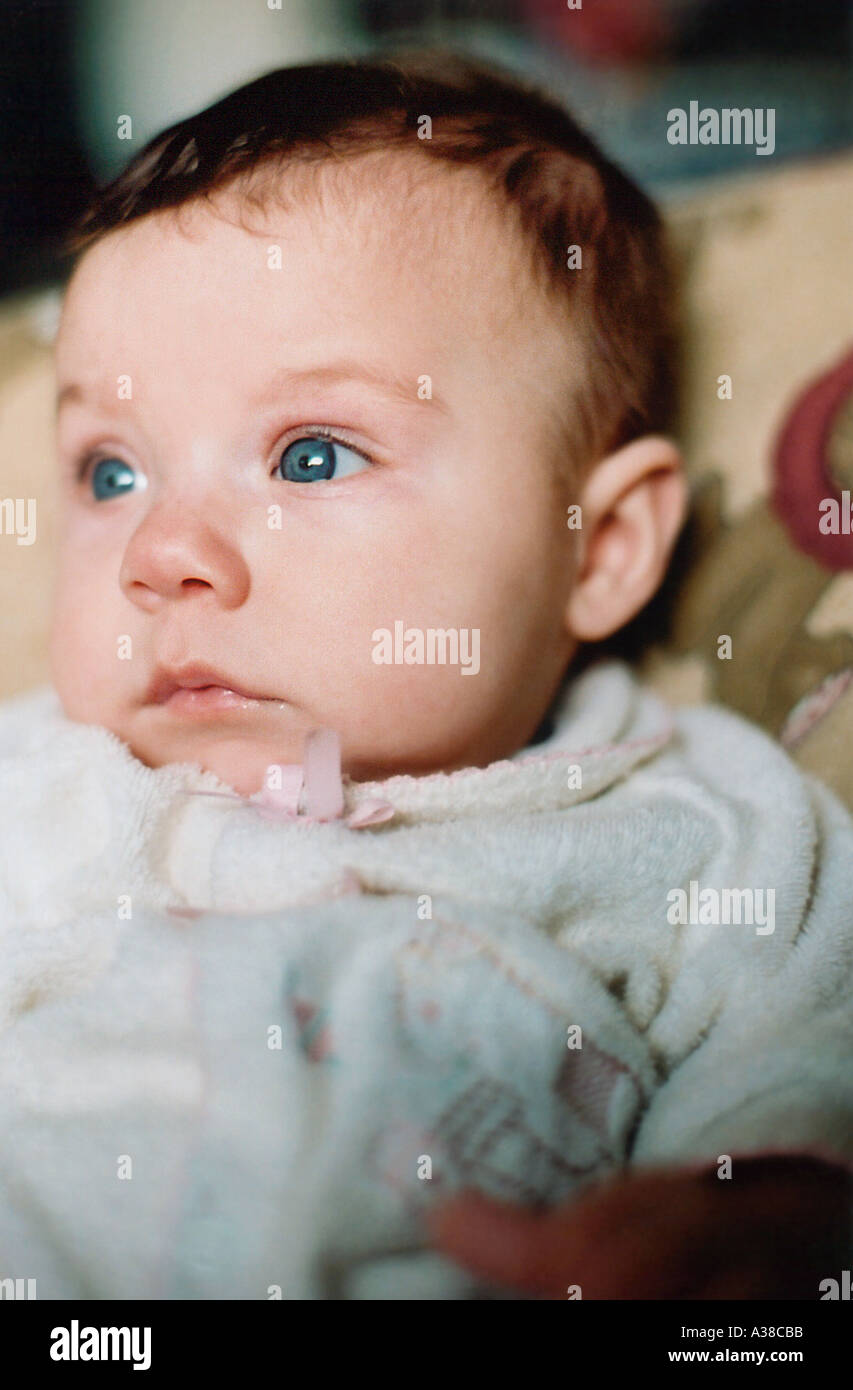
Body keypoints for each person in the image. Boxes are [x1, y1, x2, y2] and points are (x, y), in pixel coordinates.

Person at [0, 51, 849, 1299]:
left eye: (310, 457)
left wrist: (752, 1205)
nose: (160, 552)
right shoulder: (47, 784)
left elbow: (805, 1046)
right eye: (111, 473)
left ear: (599, 547)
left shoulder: (692, 825)